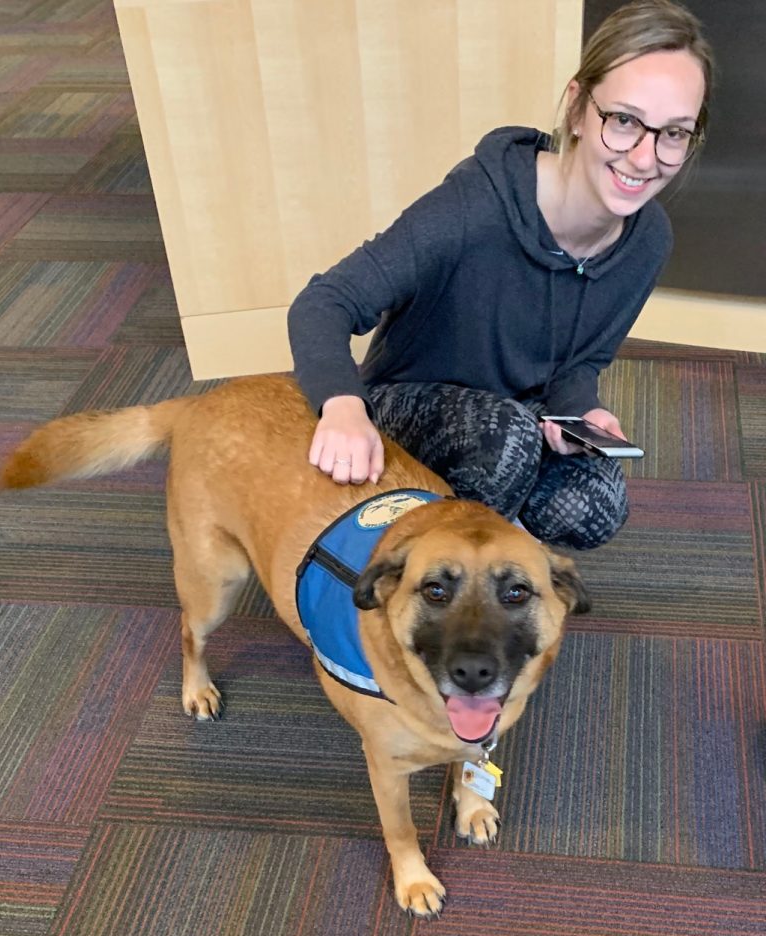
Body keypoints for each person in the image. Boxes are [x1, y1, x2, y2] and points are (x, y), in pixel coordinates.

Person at [287, 0, 713, 550]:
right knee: (503, 442)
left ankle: (479, 537)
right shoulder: (475, 206)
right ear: (579, 107)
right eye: (625, 121)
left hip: (516, 416)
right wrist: (342, 406)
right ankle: (420, 565)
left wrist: (580, 409)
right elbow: (324, 303)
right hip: (404, 405)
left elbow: (581, 361)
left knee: (595, 503)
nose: (644, 157)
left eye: (673, 133)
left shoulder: (648, 239)